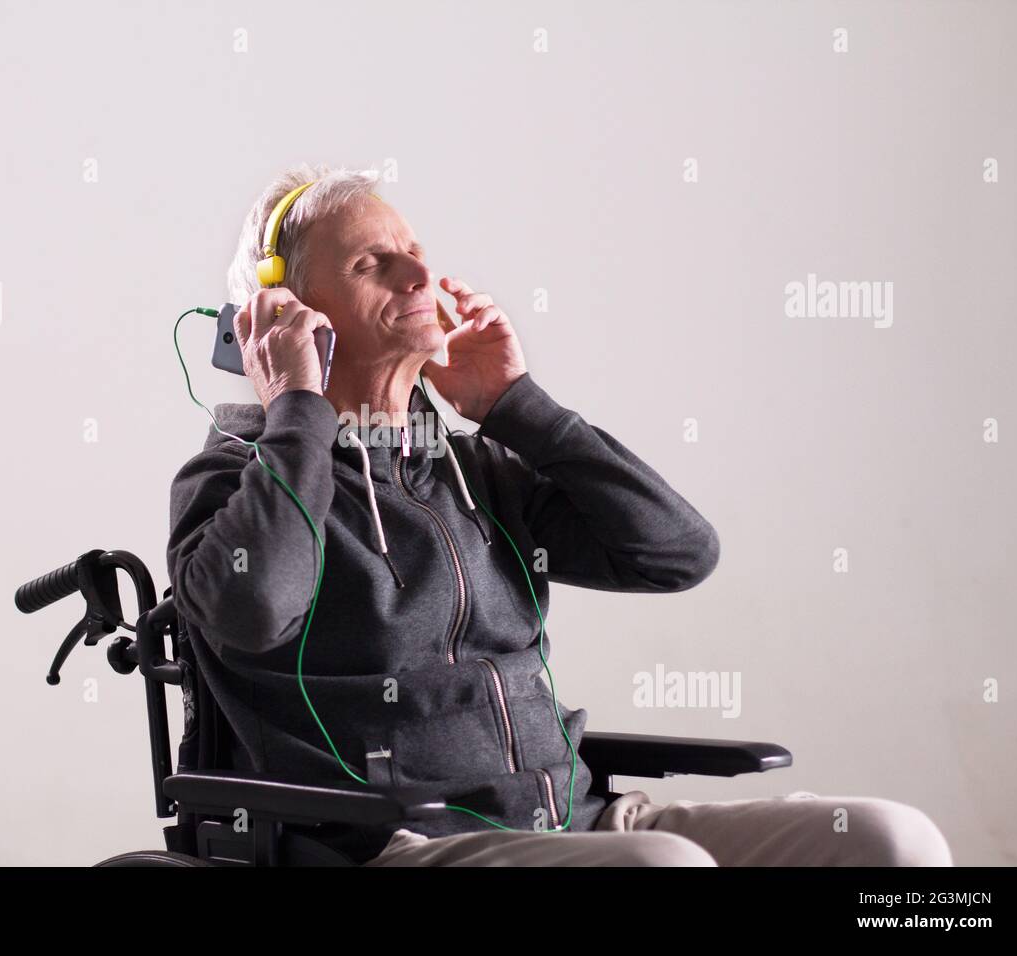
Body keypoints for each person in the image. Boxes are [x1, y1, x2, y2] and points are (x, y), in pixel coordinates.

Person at [166, 163, 952, 866]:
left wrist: (516, 407)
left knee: (893, 842)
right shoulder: (236, 481)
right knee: (663, 867)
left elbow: (677, 554)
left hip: (571, 822)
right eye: (373, 263)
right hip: (391, 842)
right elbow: (253, 606)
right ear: (284, 314)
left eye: (414, 251)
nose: (419, 275)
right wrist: (297, 408)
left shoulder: (477, 473)